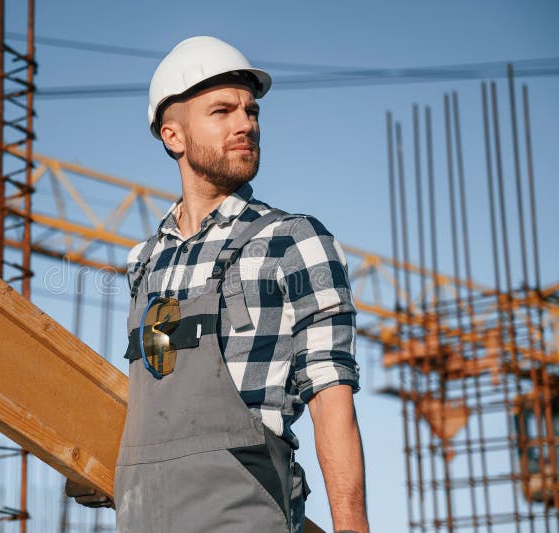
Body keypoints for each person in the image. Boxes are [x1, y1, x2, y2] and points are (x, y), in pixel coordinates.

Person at [66, 36, 369, 533]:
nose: (246, 124)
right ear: (174, 136)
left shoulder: (291, 241)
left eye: (251, 112)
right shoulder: (143, 263)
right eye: (222, 111)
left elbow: (333, 402)